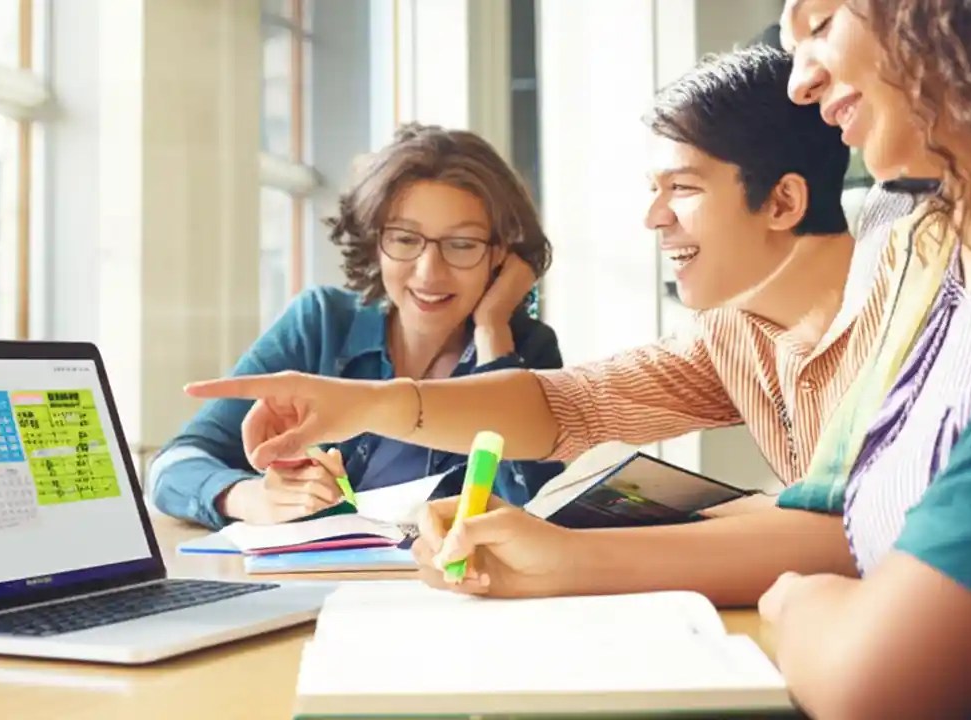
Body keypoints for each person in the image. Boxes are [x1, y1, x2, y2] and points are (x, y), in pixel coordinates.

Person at [183, 46, 924, 603]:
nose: (654, 217)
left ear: (785, 203)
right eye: (653, 189)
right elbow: (561, 404)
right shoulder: (732, 332)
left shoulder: (916, 306)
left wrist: (564, 561)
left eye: (683, 189)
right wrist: (369, 403)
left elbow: (857, 532)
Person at [756, 0, 971, 717]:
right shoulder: (931, 256)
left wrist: (799, 601)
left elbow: (873, 683)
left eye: (819, 24)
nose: (798, 83)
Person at [147, 124, 565, 529]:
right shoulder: (323, 323)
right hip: (321, 588)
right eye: (404, 239)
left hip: (446, 591)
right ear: (374, 241)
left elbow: (541, 509)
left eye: (462, 245)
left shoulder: (526, 350)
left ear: (501, 255)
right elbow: (172, 466)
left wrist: (492, 331)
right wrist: (249, 497)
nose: (428, 272)